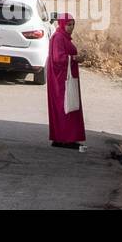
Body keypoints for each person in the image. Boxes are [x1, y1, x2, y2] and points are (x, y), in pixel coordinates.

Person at [46, 12, 86, 148]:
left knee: (67, 106)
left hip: (66, 77)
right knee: (66, 106)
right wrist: (74, 58)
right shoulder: (58, 37)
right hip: (61, 80)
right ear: (62, 24)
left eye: (73, 24)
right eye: (69, 24)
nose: (71, 27)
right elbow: (58, 58)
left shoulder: (64, 38)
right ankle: (65, 139)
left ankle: (62, 137)